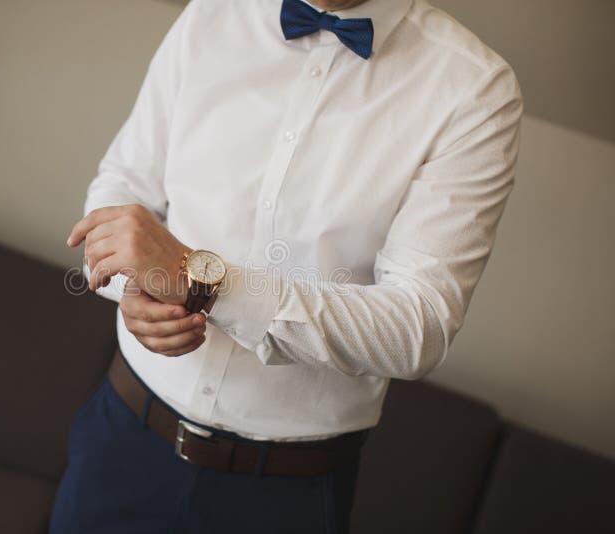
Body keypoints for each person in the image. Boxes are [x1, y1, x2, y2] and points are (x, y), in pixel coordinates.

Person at [52, 0, 522, 532]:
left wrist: (201, 282)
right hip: (121, 441)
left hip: (285, 496)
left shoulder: (474, 88)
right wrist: (140, 283)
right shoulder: (213, 14)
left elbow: (418, 326)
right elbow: (122, 185)